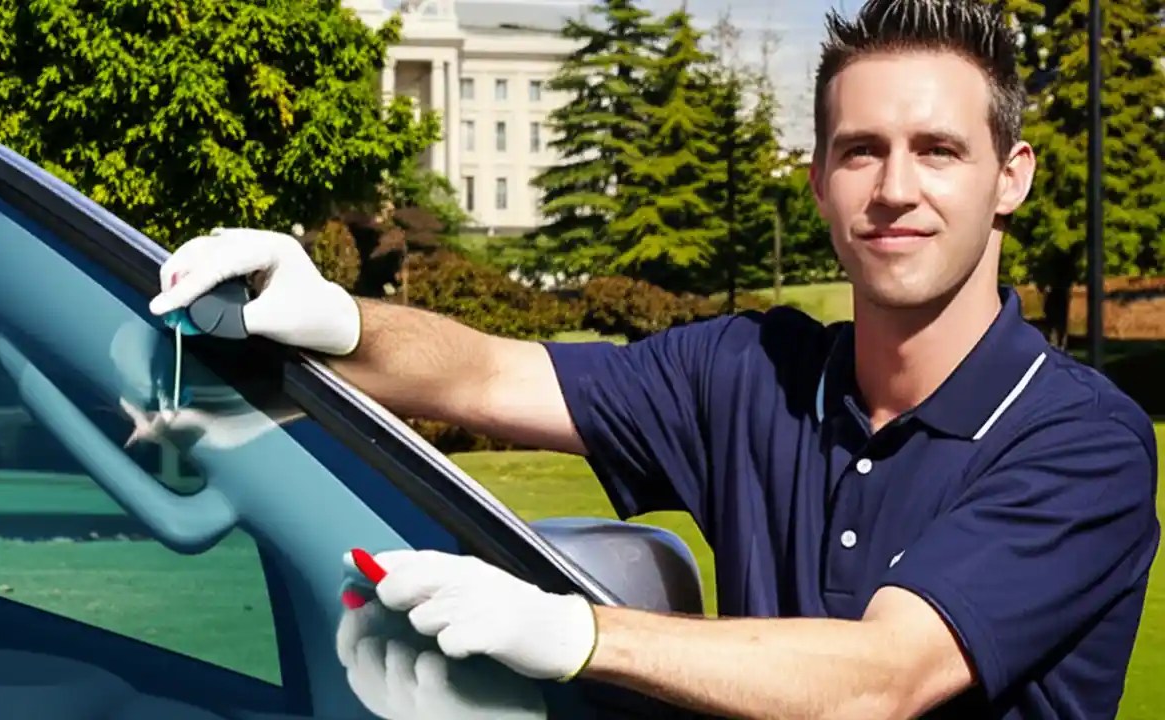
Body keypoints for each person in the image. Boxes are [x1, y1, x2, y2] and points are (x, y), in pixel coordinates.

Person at [147, 0, 1160, 717]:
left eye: (936, 149)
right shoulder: (750, 370)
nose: (893, 187)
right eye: (860, 150)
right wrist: (331, 319)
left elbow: (881, 682)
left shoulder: (1078, 439)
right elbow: (489, 374)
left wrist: (581, 634)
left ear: (1008, 177)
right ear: (817, 181)